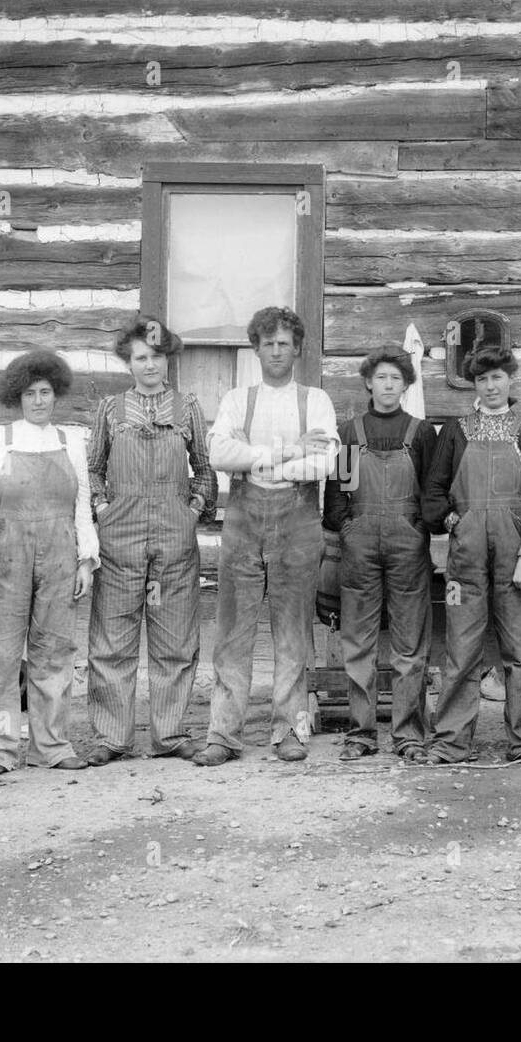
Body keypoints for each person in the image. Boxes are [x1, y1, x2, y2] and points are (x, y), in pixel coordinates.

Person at [194, 306, 339, 766]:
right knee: (232, 632)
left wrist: (256, 458)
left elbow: (324, 464)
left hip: (298, 521)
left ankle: (290, 730)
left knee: (293, 632)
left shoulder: (315, 400)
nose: (277, 350)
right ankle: (223, 733)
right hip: (242, 520)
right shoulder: (239, 398)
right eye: (268, 343)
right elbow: (219, 453)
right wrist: (290, 451)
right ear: (255, 349)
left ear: (297, 348)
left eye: (285, 343)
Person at [84, 318, 217, 765]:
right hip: (119, 540)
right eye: (141, 357)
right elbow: (93, 469)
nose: (150, 365)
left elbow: (205, 468)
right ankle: (111, 738)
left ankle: (171, 734)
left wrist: (192, 510)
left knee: (175, 639)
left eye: (157, 356)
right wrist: (102, 510)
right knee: (112, 641)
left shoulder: (188, 407)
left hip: (174, 540)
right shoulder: (110, 409)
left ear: (168, 360)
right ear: (129, 362)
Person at [0, 350, 99, 776]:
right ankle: (0, 749)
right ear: (17, 396)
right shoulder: (0, 439)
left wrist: (86, 559)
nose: (39, 400)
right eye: (30, 393)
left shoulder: (70, 442)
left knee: (54, 651)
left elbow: (82, 505)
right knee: (0, 653)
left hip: (61, 554)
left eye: (46, 392)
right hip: (6, 555)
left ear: (55, 394)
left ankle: (52, 746)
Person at [422, 345, 521, 765]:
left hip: (515, 556)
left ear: (510, 380)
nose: (490, 386)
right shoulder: (456, 430)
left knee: (519, 650)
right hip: (466, 558)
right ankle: (451, 742)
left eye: (497, 377)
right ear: (474, 385)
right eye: (482, 379)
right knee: (461, 648)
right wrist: (454, 523)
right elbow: (434, 494)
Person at [323, 344, 439, 764]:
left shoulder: (421, 432)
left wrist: (417, 527)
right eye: (382, 377)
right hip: (360, 543)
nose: (389, 385)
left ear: (406, 385)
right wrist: (348, 527)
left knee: (409, 642)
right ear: (368, 382)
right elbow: (339, 492)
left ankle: (408, 734)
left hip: (408, 541)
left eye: (397, 378)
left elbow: (432, 491)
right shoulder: (352, 431)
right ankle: (361, 731)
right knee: (359, 640)